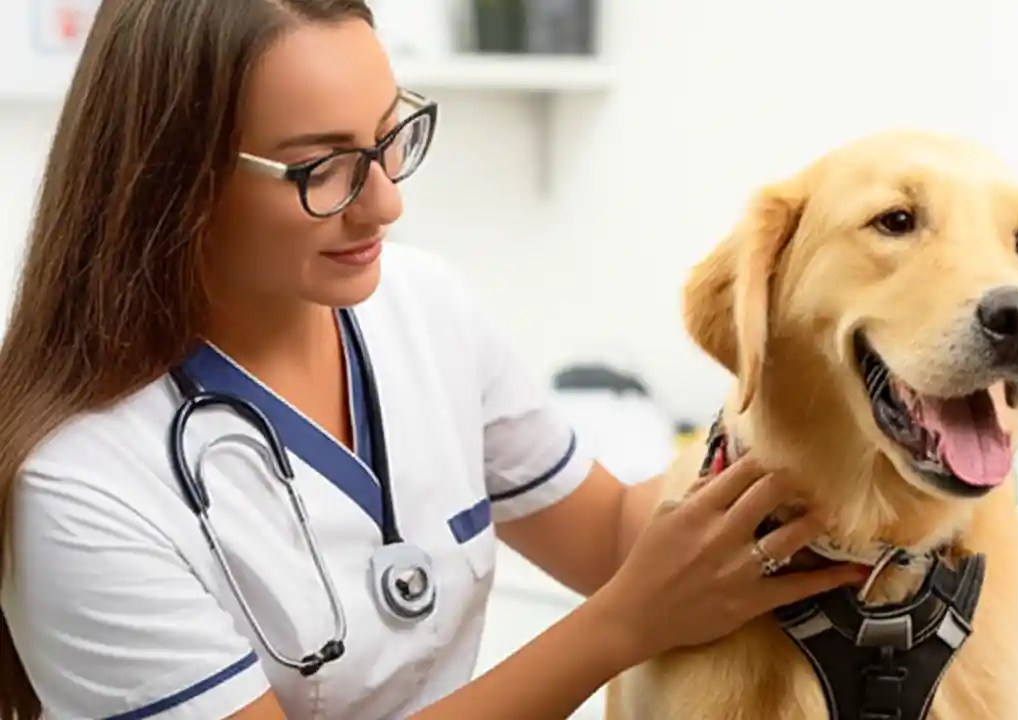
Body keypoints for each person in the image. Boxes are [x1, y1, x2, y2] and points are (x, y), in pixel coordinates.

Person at [0, 2, 868, 718]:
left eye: (389, 139)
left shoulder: (422, 308)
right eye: (324, 169)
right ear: (172, 175)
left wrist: (799, 412)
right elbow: (627, 593)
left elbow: (610, 537)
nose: (386, 201)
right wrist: (616, 630)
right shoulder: (80, 487)